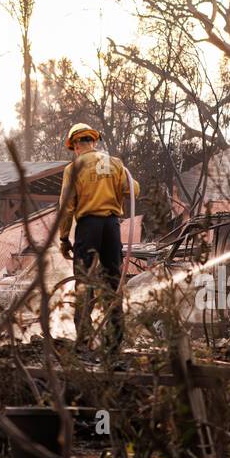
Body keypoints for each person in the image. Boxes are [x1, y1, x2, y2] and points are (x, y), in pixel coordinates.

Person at [56, 122, 139, 354]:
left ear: (75, 146)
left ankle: (84, 340)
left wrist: (64, 237)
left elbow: (66, 207)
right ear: (93, 141)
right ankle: (115, 341)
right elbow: (134, 190)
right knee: (113, 281)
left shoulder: (73, 168)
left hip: (89, 226)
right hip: (112, 228)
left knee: (85, 281)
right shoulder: (114, 163)